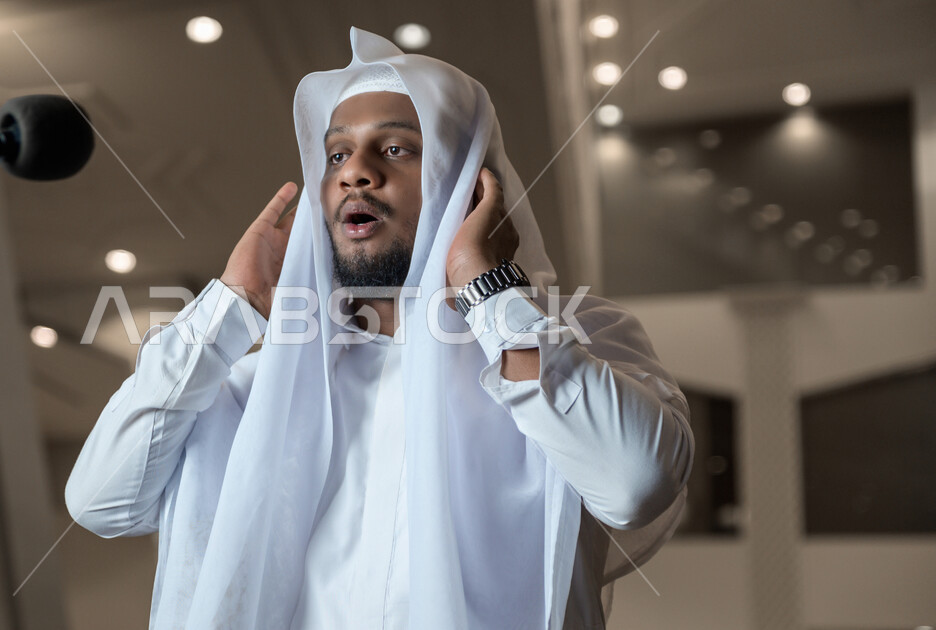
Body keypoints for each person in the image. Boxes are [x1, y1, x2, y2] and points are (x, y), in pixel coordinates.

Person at [65, 27, 693, 629]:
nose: (354, 172)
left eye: (395, 149)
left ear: (469, 184)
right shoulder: (255, 387)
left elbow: (634, 486)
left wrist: (489, 291)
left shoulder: (574, 338)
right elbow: (102, 504)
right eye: (336, 153)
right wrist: (235, 304)